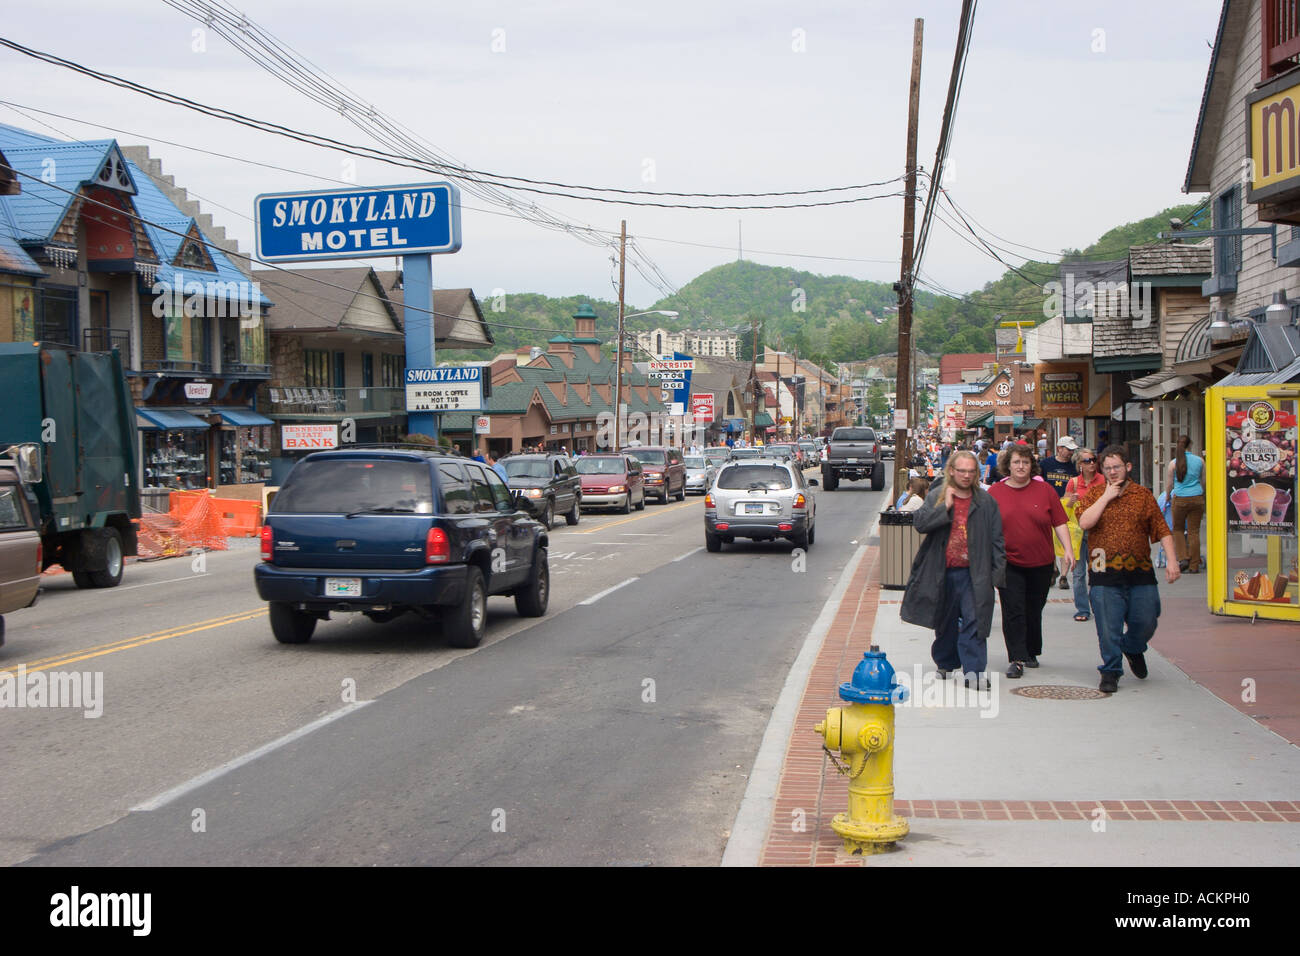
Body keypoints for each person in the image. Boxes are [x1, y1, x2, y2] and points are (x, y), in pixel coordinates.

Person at [901, 450, 1006, 689]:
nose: (967, 476)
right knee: (945, 622)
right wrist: (945, 506)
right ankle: (946, 662)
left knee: (974, 620)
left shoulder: (986, 501)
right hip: (942, 571)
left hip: (975, 573)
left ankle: (974, 673)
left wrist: (997, 576)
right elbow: (921, 524)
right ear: (951, 471)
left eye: (971, 471)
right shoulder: (937, 495)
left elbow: (997, 540)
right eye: (962, 471)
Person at [1079, 445, 1179, 694]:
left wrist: (1173, 561)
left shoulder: (1143, 495)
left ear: (1128, 467)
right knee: (1108, 627)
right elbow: (1085, 522)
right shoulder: (1094, 495)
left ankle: (1133, 647)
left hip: (1140, 571)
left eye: (1117, 467)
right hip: (1104, 572)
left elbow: (1162, 529)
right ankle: (1111, 670)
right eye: (1107, 468)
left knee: (1147, 620)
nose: (1112, 472)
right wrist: (1106, 497)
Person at [988, 445, 1072, 678]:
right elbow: (985, 526)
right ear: (1008, 465)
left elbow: (1059, 522)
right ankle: (1016, 657)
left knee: (1034, 608)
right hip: (1009, 562)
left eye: (1025, 462)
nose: (1021, 467)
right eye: (1016, 462)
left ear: (1031, 465)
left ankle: (1031, 649)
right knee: (1013, 609)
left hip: (1041, 562)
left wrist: (1068, 550)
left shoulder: (1045, 490)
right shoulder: (995, 492)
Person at [1062, 447, 1104, 622]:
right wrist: (1070, 502)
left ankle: (1100, 606)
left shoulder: (1103, 480)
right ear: (1080, 464)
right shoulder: (1073, 482)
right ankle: (1082, 609)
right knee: (1078, 574)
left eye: (1094, 460)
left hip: (1098, 532)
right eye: (1087, 461)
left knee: (1098, 571)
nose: (1092, 463)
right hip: (1079, 535)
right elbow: (1065, 509)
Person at [1041, 436, 1079, 589]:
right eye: (1068, 449)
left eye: (1072, 450)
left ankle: (1063, 576)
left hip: (1067, 506)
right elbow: (1039, 482)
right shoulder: (1046, 464)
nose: (1070, 452)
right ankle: (1053, 569)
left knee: (1065, 539)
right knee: (1049, 539)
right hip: (1049, 505)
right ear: (1059, 449)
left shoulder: (1074, 467)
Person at [1166, 435, 1205, 574]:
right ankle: (1194, 565)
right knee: (1194, 531)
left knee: (1178, 529)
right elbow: (1203, 481)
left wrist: (1166, 497)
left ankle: (1183, 558)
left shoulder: (1173, 463)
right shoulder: (1200, 461)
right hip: (1197, 498)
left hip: (1180, 499)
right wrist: (1201, 494)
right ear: (1191, 445)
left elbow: (1170, 484)